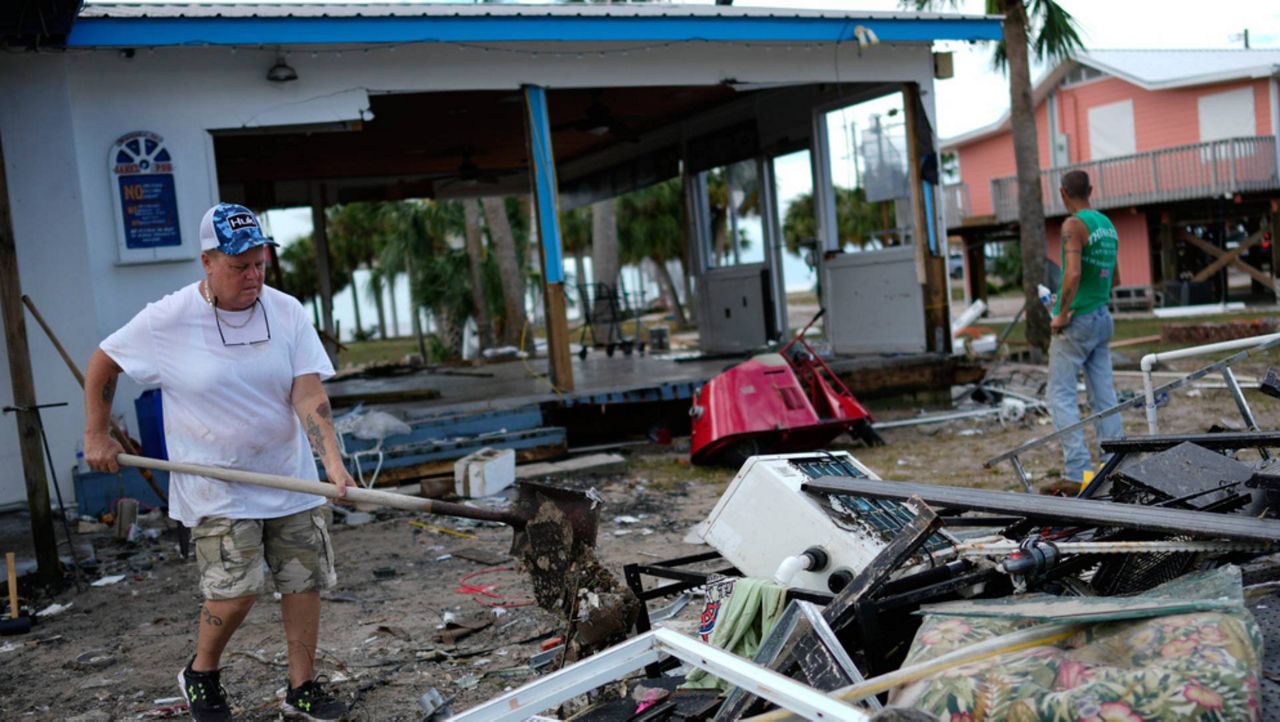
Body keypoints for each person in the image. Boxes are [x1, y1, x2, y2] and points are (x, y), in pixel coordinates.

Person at [83, 202, 354, 722]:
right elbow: (103, 363)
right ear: (207, 263)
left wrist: (332, 467)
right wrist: (96, 432)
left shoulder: (287, 311)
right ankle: (201, 672)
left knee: (303, 580)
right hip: (216, 485)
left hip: (288, 475)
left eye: (259, 263)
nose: (252, 276)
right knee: (236, 591)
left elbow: (308, 395)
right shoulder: (167, 319)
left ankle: (302, 688)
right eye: (238, 267)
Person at [1046, 169, 1125, 488]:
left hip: (1077, 319)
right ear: (1090, 189)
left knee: (1060, 394)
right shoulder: (1106, 225)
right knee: (1104, 394)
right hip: (1102, 316)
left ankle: (1077, 470)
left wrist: (1061, 312)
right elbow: (1115, 278)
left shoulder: (1073, 225)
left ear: (1063, 193)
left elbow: (1073, 273)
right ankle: (1116, 461)